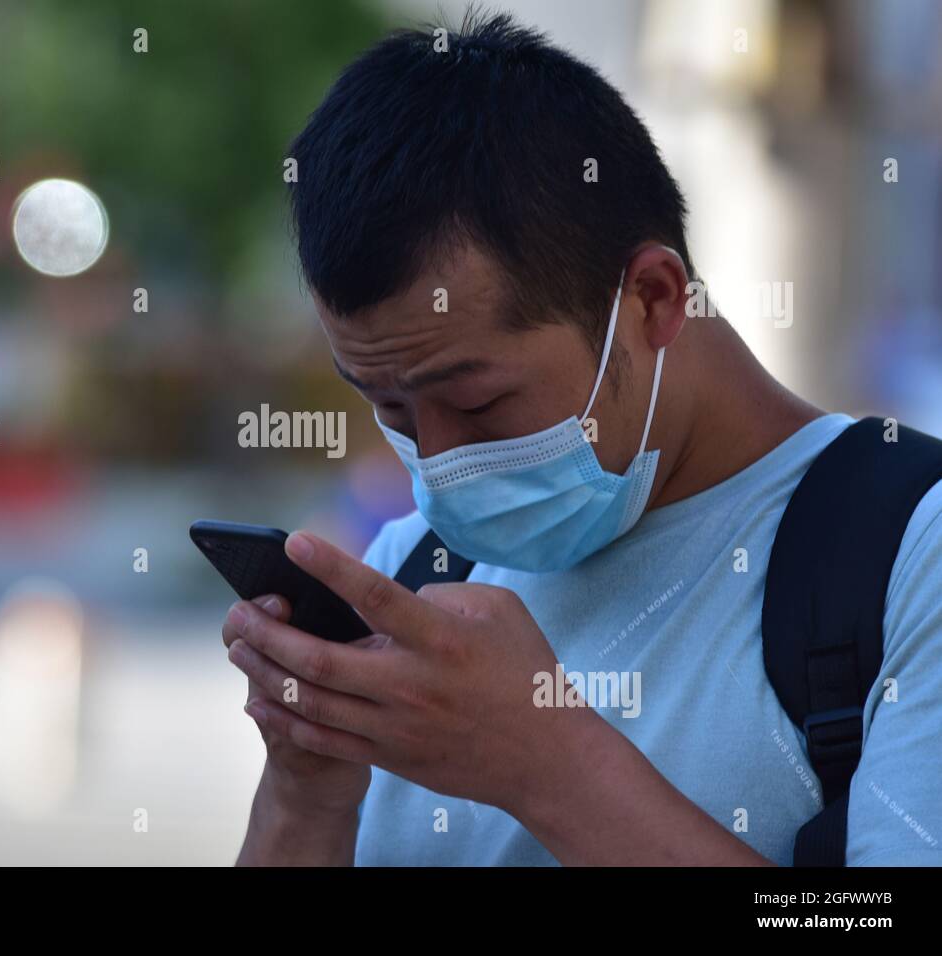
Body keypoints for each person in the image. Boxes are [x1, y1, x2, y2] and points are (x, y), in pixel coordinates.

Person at [220, 12, 942, 866]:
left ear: (653, 299)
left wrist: (546, 764)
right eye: (392, 412)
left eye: (480, 403)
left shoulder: (906, 551)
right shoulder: (410, 566)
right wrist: (305, 797)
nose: (439, 471)